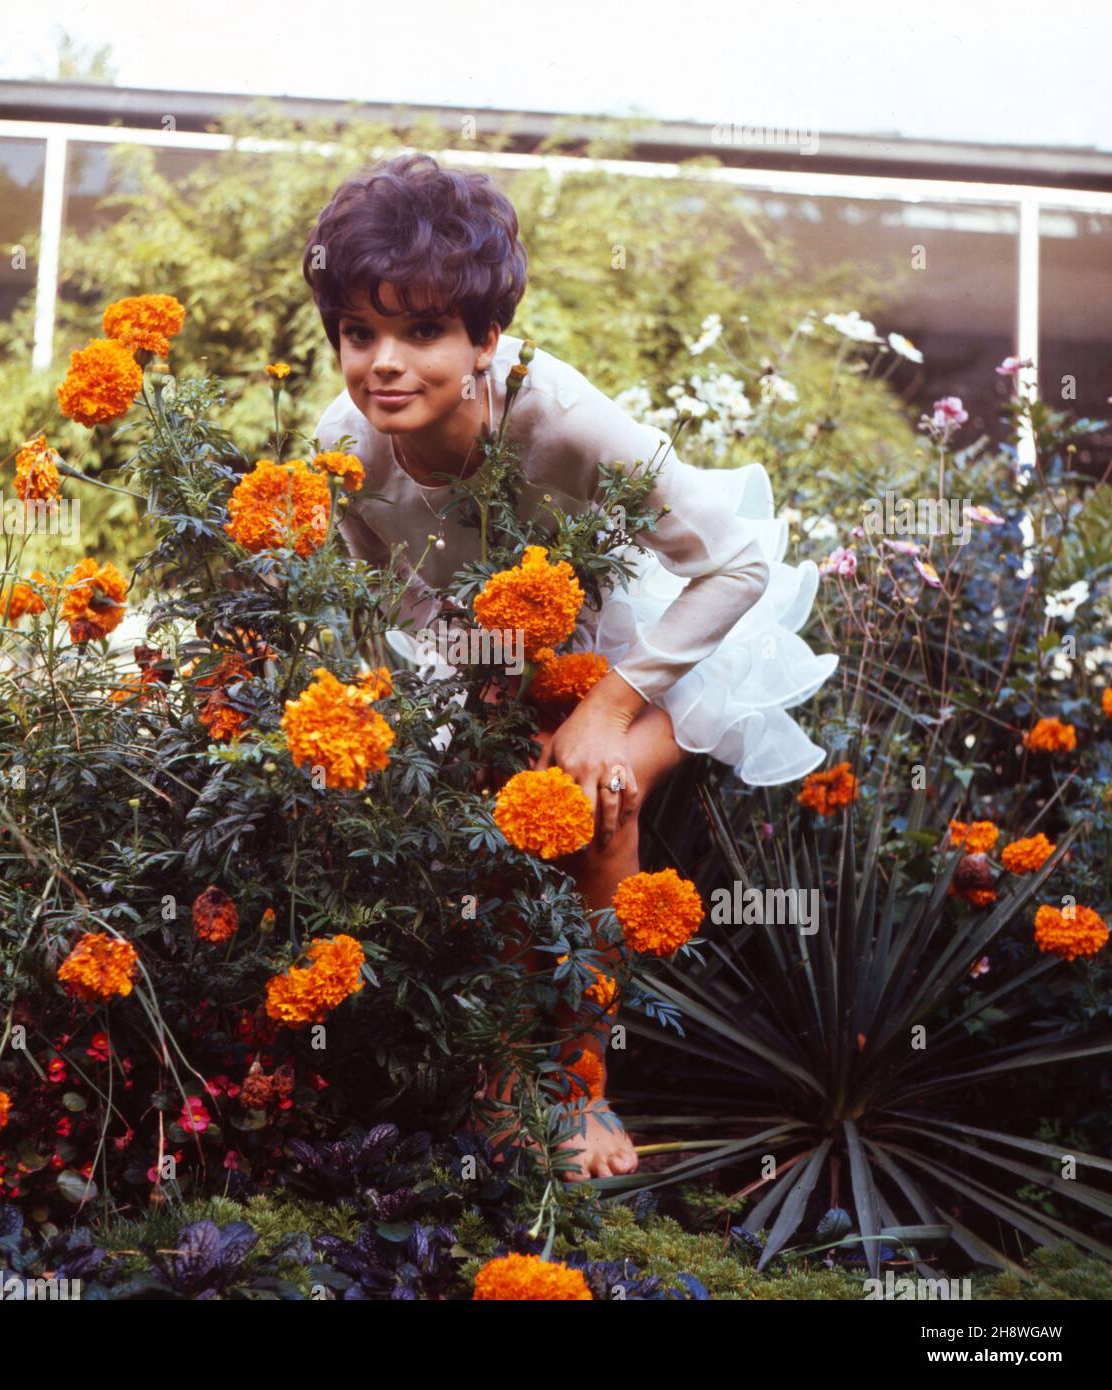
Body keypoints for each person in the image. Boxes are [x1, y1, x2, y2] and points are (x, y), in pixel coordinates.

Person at [302, 152, 838, 1180]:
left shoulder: (563, 420)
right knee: (490, 820)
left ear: (486, 339)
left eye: (422, 331)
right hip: (495, 661)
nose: (383, 362)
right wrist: (442, 714)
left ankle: (584, 1088)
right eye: (358, 332)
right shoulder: (347, 448)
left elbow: (739, 563)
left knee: (600, 800)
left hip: (670, 642)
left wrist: (607, 703)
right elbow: (391, 602)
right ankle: (505, 1078)